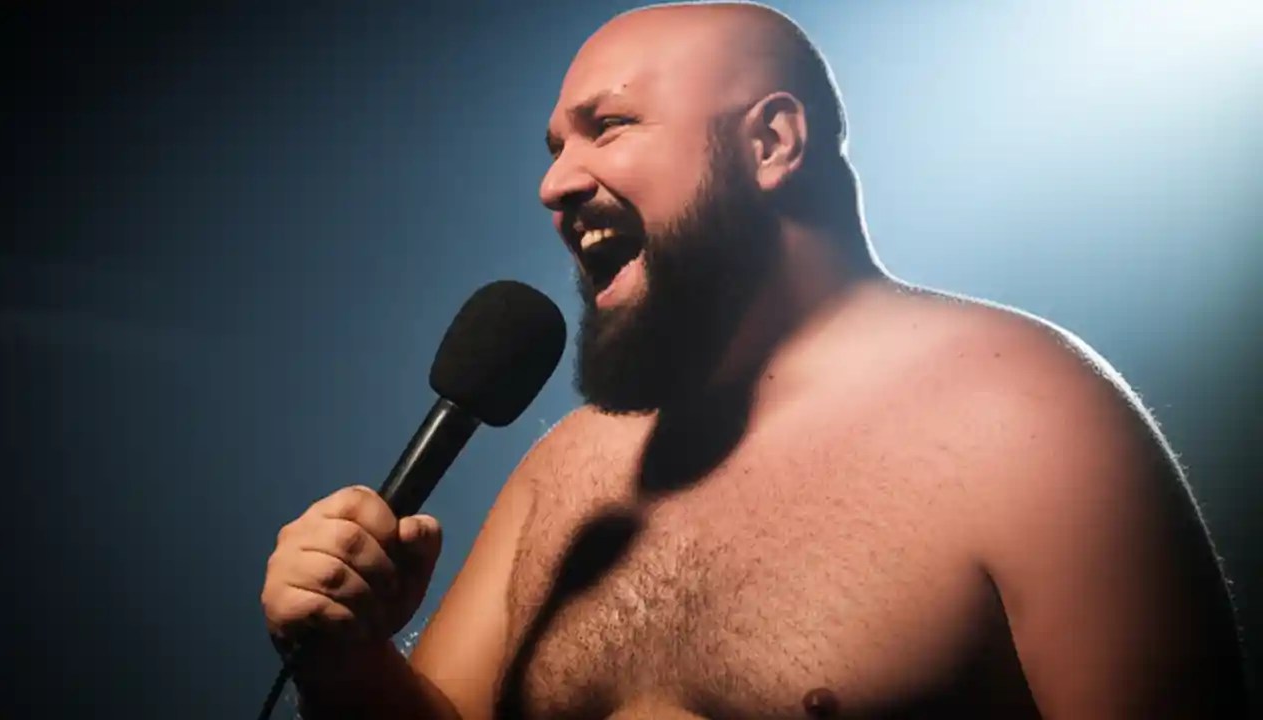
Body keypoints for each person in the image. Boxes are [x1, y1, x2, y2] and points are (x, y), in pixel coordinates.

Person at [259, 2, 1249, 717]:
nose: (555, 184)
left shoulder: (1030, 422)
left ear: (772, 140)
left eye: (607, 126)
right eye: (554, 146)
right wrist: (349, 666)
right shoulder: (569, 468)